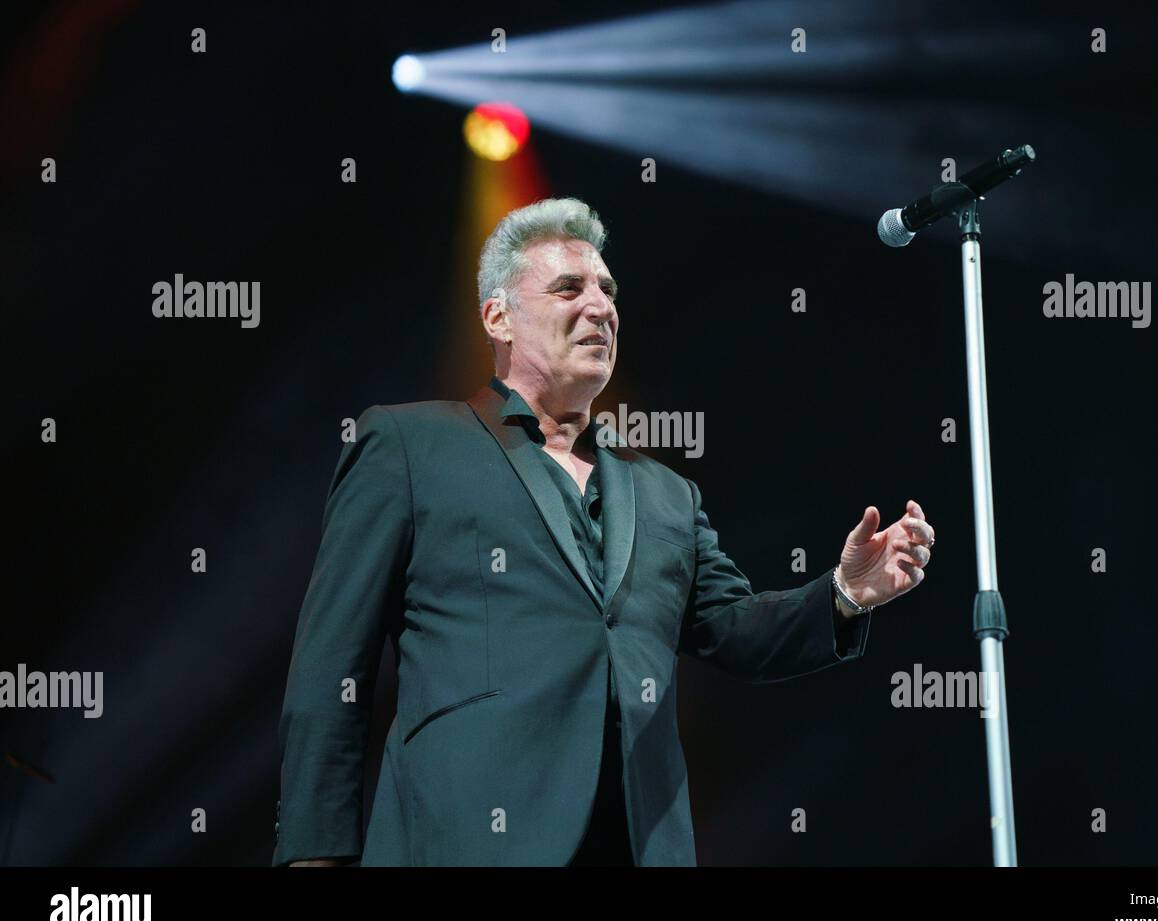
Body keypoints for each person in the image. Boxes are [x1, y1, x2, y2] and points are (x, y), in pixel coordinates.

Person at [273, 197, 935, 867]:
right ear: (497, 316)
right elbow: (331, 669)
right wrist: (313, 857)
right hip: (464, 840)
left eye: (608, 290)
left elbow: (736, 629)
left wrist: (845, 591)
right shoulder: (408, 445)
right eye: (570, 287)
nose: (601, 306)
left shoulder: (666, 494)